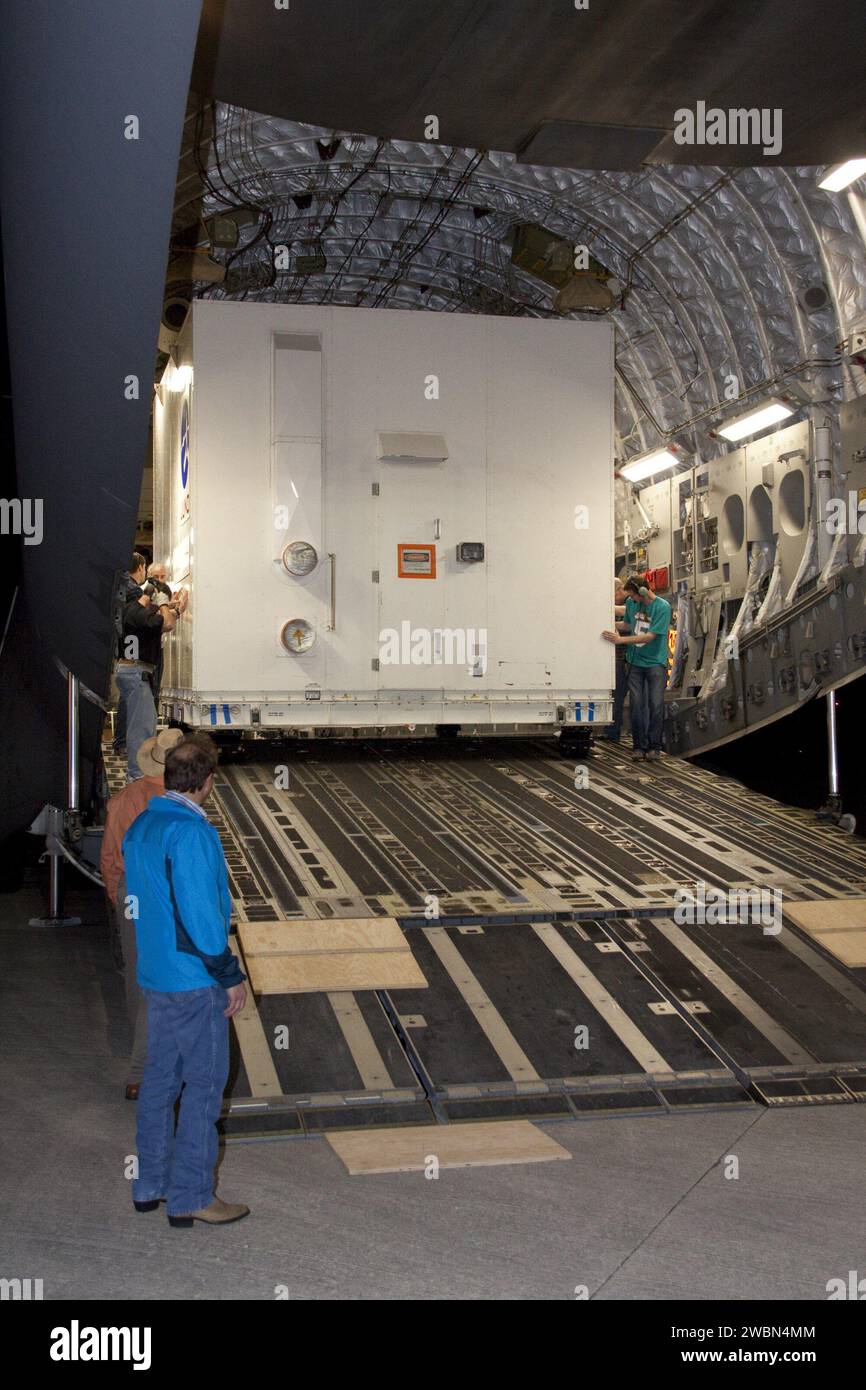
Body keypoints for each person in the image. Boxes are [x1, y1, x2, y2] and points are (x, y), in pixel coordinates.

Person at [123, 734, 250, 1228]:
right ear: (208, 782)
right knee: (203, 1088)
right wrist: (229, 975)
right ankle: (193, 1196)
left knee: (159, 1082)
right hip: (194, 980)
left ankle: (150, 1184)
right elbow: (200, 917)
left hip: (156, 975)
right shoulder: (192, 833)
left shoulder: (144, 824)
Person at [100, 727, 184, 1100]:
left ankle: (144, 1069)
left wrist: (119, 898)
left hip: (132, 894)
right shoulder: (176, 803)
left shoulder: (125, 799)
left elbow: (109, 860)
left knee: (138, 980)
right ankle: (149, 1070)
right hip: (166, 896)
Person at [116, 555, 185, 781]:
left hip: (129, 670)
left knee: (138, 723)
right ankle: (137, 777)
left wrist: (172, 608)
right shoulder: (133, 610)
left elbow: (155, 619)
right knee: (142, 730)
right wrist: (165, 604)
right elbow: (165, 623)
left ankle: (135, 772)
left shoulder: (128, 609)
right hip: (137, 672)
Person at [601, 575, 671, 762]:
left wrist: (621, 640)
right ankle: (639, 746)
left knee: (655, 705)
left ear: (642, 592)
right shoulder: (633, 604)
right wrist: (607, 626)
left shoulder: (662, 608)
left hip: (655, 663)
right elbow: (627, 624)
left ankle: (654, 746)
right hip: (635, 662)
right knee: (636, 705)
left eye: (633, 595)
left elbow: (649, 637)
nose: (631, 599)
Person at [601, 575, 631, 743]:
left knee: (620, 695)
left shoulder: (630, 604)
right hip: (618, 659)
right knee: (616, 696)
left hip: (629, 658)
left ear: (619, 590)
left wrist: (603, 605)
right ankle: (612, 732)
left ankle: (614, 733)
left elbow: (626, 614)